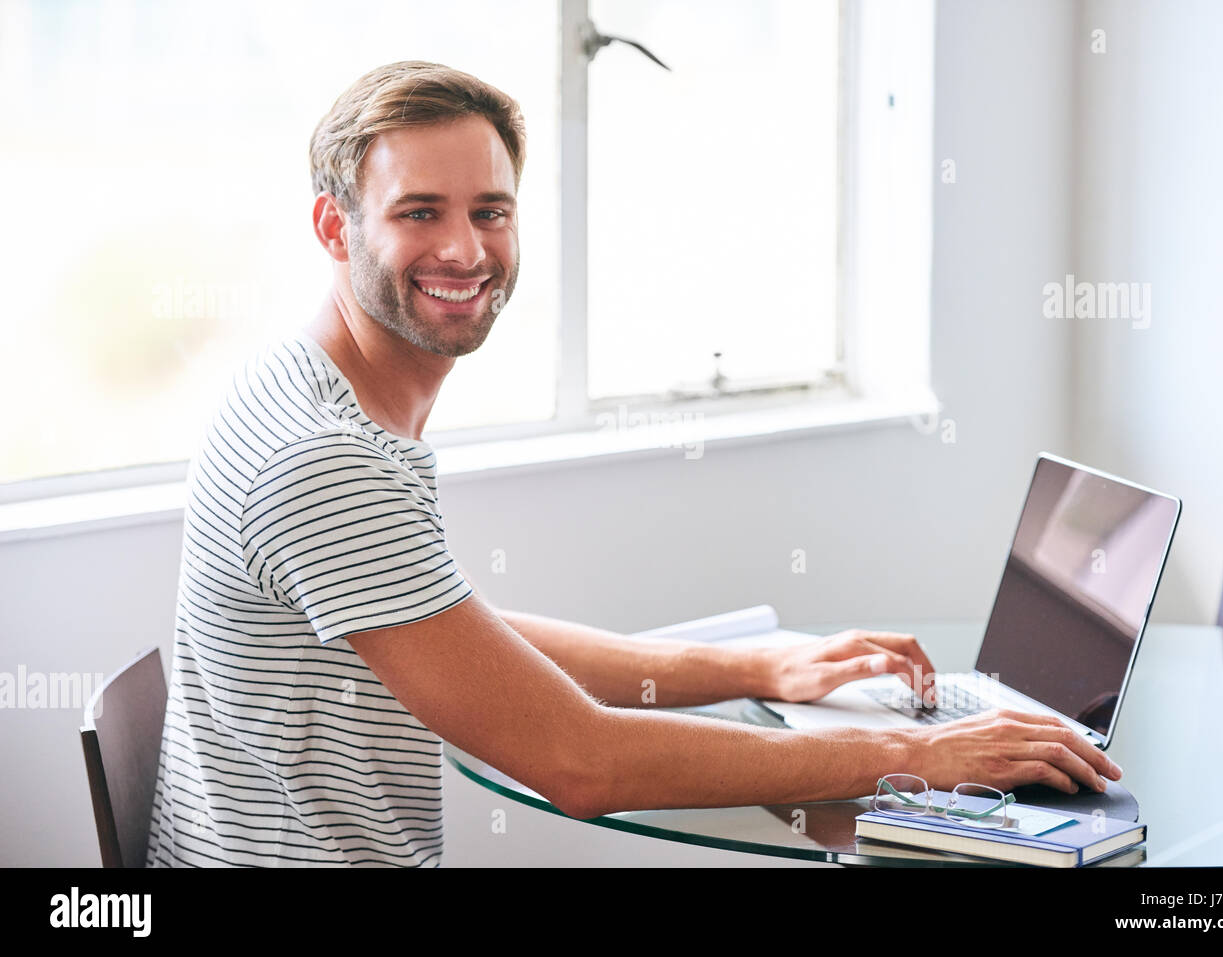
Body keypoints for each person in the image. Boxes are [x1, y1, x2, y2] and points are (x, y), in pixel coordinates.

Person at [147, 60, 1120, 867]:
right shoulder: (325, 461)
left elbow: (451, 633)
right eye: (419, 212)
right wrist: (919, 756)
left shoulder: (303, 384)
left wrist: (761, 666)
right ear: (334, 227)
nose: (464, 248)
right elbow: (580, 764)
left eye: (491, 210)